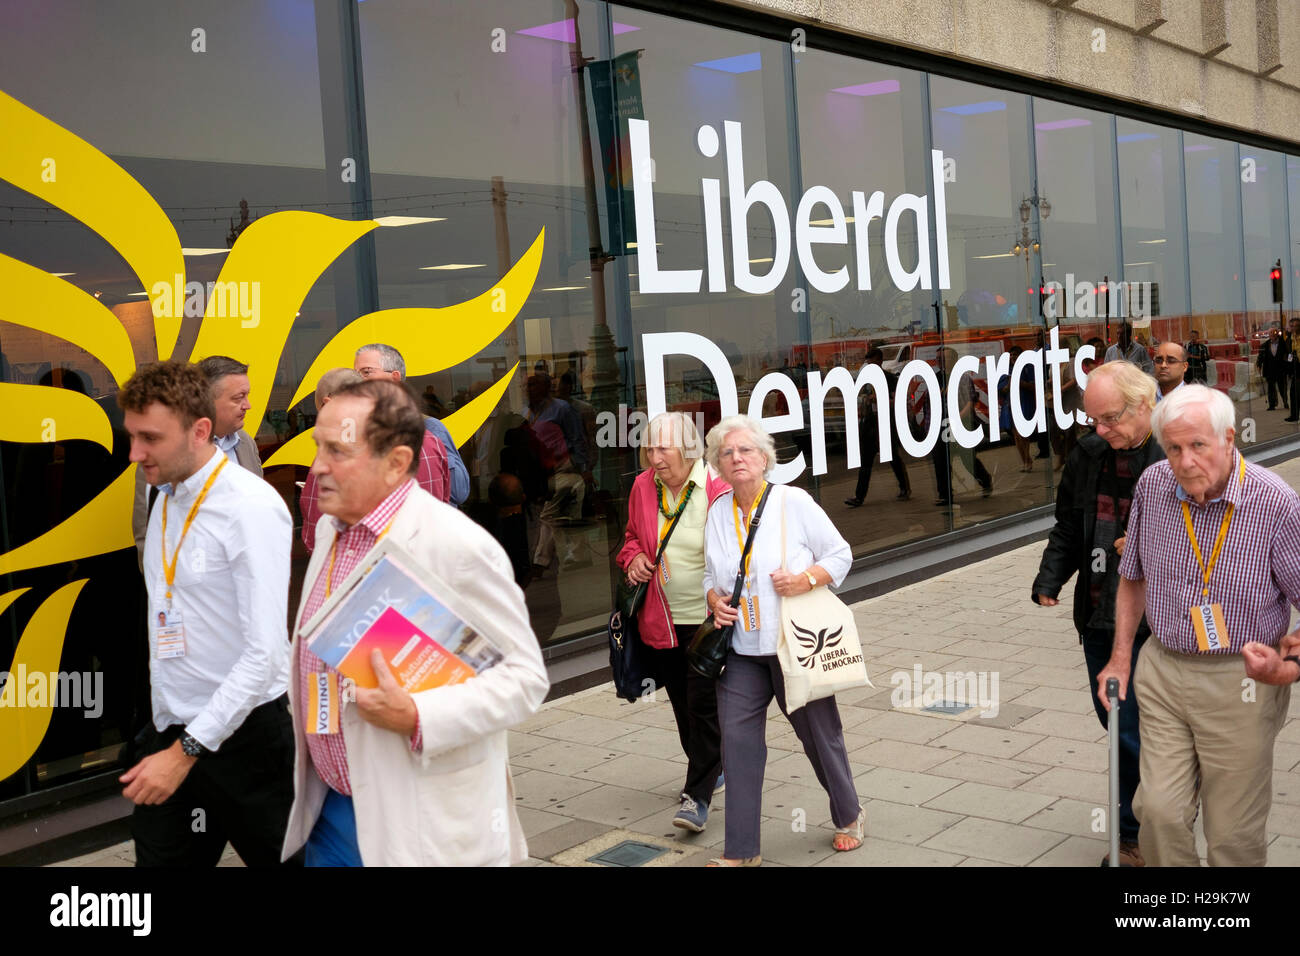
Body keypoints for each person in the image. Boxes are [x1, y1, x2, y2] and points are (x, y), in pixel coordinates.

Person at [281, 379, 549, 866]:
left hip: (416, 817)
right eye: (318, 447)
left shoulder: (456, 546)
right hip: (331, 808)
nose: (317, 467)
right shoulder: (328, 528)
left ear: (397, 462)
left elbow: (526, 680)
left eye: (338, 451)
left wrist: (417, 717)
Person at [1096, 385, 1300, 866]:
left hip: (1240, 681)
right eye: (1173, 448)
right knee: (1158, 812)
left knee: (1231, 833)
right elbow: (1133, 578)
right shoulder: (1153, 485)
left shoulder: (1275, 503)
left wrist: (1286, 667)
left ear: (1229, 439)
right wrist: (1121, 656)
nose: (1185, 462)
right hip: (1163, 670)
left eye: (1198, 446)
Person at [117, 360, 296, 866]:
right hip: (172, 732)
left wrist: (185, 753)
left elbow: (264, 654)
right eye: (131, 436)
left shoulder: (249, 507)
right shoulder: (161, 494)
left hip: (247, 741)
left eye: (149, 438)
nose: (135, 454)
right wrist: (163, 738)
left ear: (200, 431)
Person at [702, 415, 862, 866]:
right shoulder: (718, 513)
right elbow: (709, 579)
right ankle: (740, 851)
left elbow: (840, 555)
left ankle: (849, 813)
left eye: (745, 450)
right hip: (740, 651)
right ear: (717, 464)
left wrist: (805, 578)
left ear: (765, 458)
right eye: (727, 453)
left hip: (793, 644)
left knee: (820, 737)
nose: (736, 458)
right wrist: (715, 600)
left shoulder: (793, 502)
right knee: (737, 745)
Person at [1031, 361, 1163, 867]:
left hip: (1165, 619)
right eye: (1094, 421)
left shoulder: (1173, 454)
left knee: (1141, 728)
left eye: (1109, 419)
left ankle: (1137, 836)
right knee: (1118, 722)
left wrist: (1153, 547)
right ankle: (1149, 819)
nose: (1100, 430)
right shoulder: (1088, 455)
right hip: (1100, 613)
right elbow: (1067, 525)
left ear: (1144, 405)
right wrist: (1050, 579)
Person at [616, 412, 728, 832]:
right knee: (684, 704)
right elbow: (629, 538)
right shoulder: (644, 486)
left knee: (702, 703)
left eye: (664, 449)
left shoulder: (716, 488)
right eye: (650, 448)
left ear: (688, 449)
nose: (654, 458)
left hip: (708, 619)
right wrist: (635, 558)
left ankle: (695, 795)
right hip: (660, 619)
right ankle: (712, 766)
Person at [130, 355, 263, 570]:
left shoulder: (245, 444)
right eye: (239, 398)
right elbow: (149, 536)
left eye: (247, 396)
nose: (248, 405)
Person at [299, 367, 449, 552]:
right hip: (429, 561)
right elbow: (445, 500)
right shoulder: (430, 440)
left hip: (368, 571)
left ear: (329, 403)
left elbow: (315, 537)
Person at [354, 343, 469, 506]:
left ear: (394, 378)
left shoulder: (429, 428)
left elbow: (459, 492)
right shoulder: (359, 431)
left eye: (366, 372)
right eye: (355, 374)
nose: (357, 381)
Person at [844, 347, 911, 506]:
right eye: (867, 364)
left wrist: (880, 400)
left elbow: (899, 400)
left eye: (872, 363)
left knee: (893, 458)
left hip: (885, 424)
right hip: (869, 425)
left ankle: (904, 488)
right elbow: (861, 398)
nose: (869, 367)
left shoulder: (890, 378)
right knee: (865, 462)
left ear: (880, 362)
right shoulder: (866, 381)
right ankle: (859, 497)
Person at [932, 347, 992, 505]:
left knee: (967, 459)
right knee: (941, 459)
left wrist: (957, 419)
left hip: (961, 424)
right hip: (941, 425)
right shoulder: (935, 378)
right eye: (938, 358)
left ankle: (985, 480)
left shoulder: (963, 378)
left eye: (943, 358)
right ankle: (945, 494)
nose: (940, 361)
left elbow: (970, 402)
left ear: (953, 359)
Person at [1257, 325, 1290, 410]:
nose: (1272, 334)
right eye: (1270, 333)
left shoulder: (1283, 343)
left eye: (1274, 332)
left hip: (1281, 369)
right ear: (1268, 334)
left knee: (1282, 388)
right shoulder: (1264, 345)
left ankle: (1285, 402)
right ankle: (1272, 405)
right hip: (1269, 370)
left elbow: (1289, 353)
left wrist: (1290, 363)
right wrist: (1259, 365)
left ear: (1277, 333)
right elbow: (1260, 357)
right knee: (1271, 388)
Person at [1285, 316, 1300, 422]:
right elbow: (1288, 354)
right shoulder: (1290, 338)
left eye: (1296, 326)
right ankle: (1294, 415)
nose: (1293, 328)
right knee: (1293, 393)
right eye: (1291, 326)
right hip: (1295, 368)